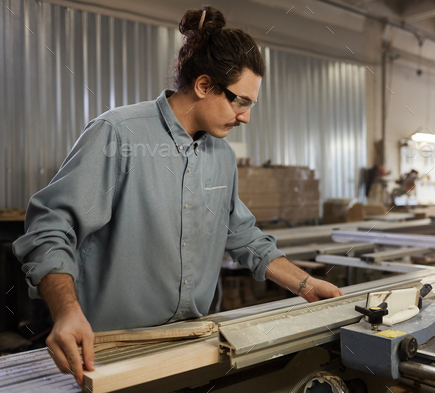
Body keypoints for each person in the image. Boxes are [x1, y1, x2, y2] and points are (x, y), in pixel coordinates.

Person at [12, 6, 344, 386]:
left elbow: (242, 235)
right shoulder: (119, 136)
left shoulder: (221, 156)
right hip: (108, 355)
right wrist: (67, 313)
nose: (246, 117)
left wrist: (304, 284)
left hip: (194, 347)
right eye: (241, 101)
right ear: (204, 86)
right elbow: (49, 228)